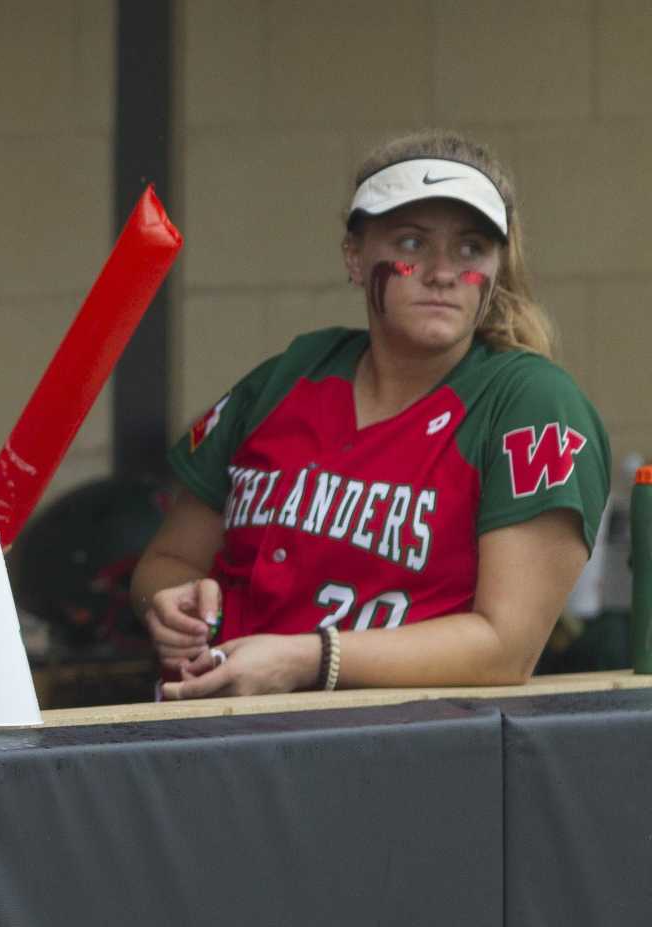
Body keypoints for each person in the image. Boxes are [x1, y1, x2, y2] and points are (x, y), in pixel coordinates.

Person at [133, 129, 610, 698]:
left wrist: (310, 658)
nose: (441, 272)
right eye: (410, 244)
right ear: (355, 258)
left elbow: (506, 647)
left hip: (394, 756)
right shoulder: (290, 374)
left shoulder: (528, 402)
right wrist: (171, 602)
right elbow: (168, 559)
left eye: (470, 248)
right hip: (208, 741)